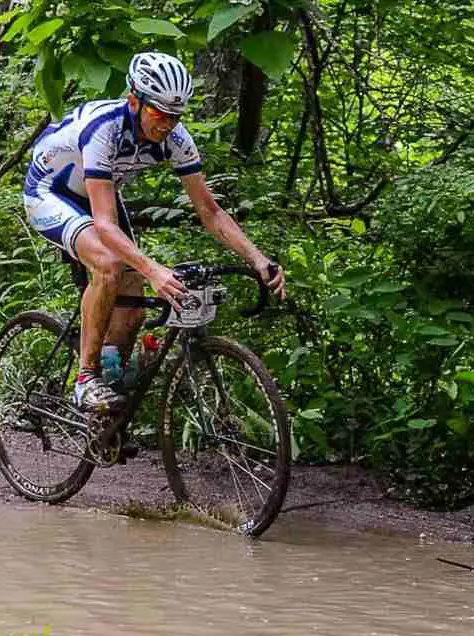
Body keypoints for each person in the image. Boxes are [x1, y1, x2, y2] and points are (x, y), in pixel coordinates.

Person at [22, 51, 286, 412]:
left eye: (176, 115)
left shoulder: (176, 137)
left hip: (99, 194)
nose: (168, 124)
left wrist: (258, 259)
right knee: (109, 264)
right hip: (51, 192)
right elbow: (103, 224)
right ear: (135, 101)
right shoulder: (105, 129)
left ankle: (108, 390)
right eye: (160, 113)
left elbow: (209, 210)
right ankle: (85, 379)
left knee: (132, 315)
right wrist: (153, 270)